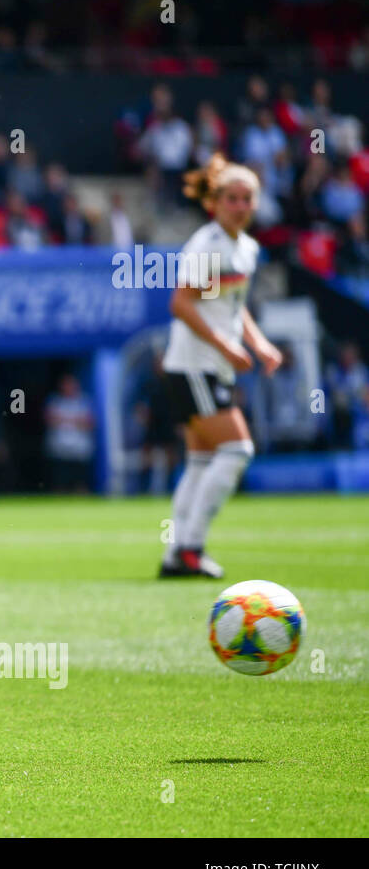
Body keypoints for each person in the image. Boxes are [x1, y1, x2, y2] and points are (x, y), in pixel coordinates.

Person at [159, 154, 282, 579]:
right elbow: (181, 303)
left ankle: (176, 553)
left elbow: (232, 304)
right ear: (214, 203)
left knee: (199, 461)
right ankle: (190, 546)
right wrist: (226, 347)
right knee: (238, 450)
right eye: (232, 198)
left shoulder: (245, 249)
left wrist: (258, 343)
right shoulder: (207, 246)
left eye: (247, 198)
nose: (240, 205)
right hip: (194, 365)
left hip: (211, 366)